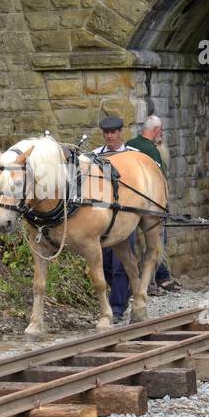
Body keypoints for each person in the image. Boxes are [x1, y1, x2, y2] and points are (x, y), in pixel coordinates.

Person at [127, 116, 181, 295]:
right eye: (161, 130)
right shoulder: (152, 150)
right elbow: (158, 179)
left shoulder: (129, 144)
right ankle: (151, 283)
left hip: (129, 203)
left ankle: (156, 279)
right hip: (150, 204)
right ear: (156, 130)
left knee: (133, 245)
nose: (162, 134)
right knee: (155, 244)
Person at [94, 116, 133, 321]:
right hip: (102, 216)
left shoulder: (132, 156)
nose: (110, 136)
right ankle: (123, 293)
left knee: (120, 264)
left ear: (120, 133)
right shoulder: (93, 156)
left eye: (113, 132)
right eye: (106, 132)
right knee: (106, 263)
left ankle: (116, 307)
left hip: (125, 215)